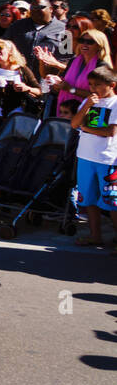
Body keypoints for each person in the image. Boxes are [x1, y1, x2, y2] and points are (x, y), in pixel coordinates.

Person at [70, 65, 117, 248]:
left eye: (97, 85)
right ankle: (95, 236)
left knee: (112, 202)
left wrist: (87, 129)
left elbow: (110, 132)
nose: (92, 88)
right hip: (85, 157)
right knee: (87, 199)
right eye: (90, 84)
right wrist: (87, 106)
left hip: (107, 160)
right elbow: (74, 124)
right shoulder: (88, 101)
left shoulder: (115, 104)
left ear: (112, 85)